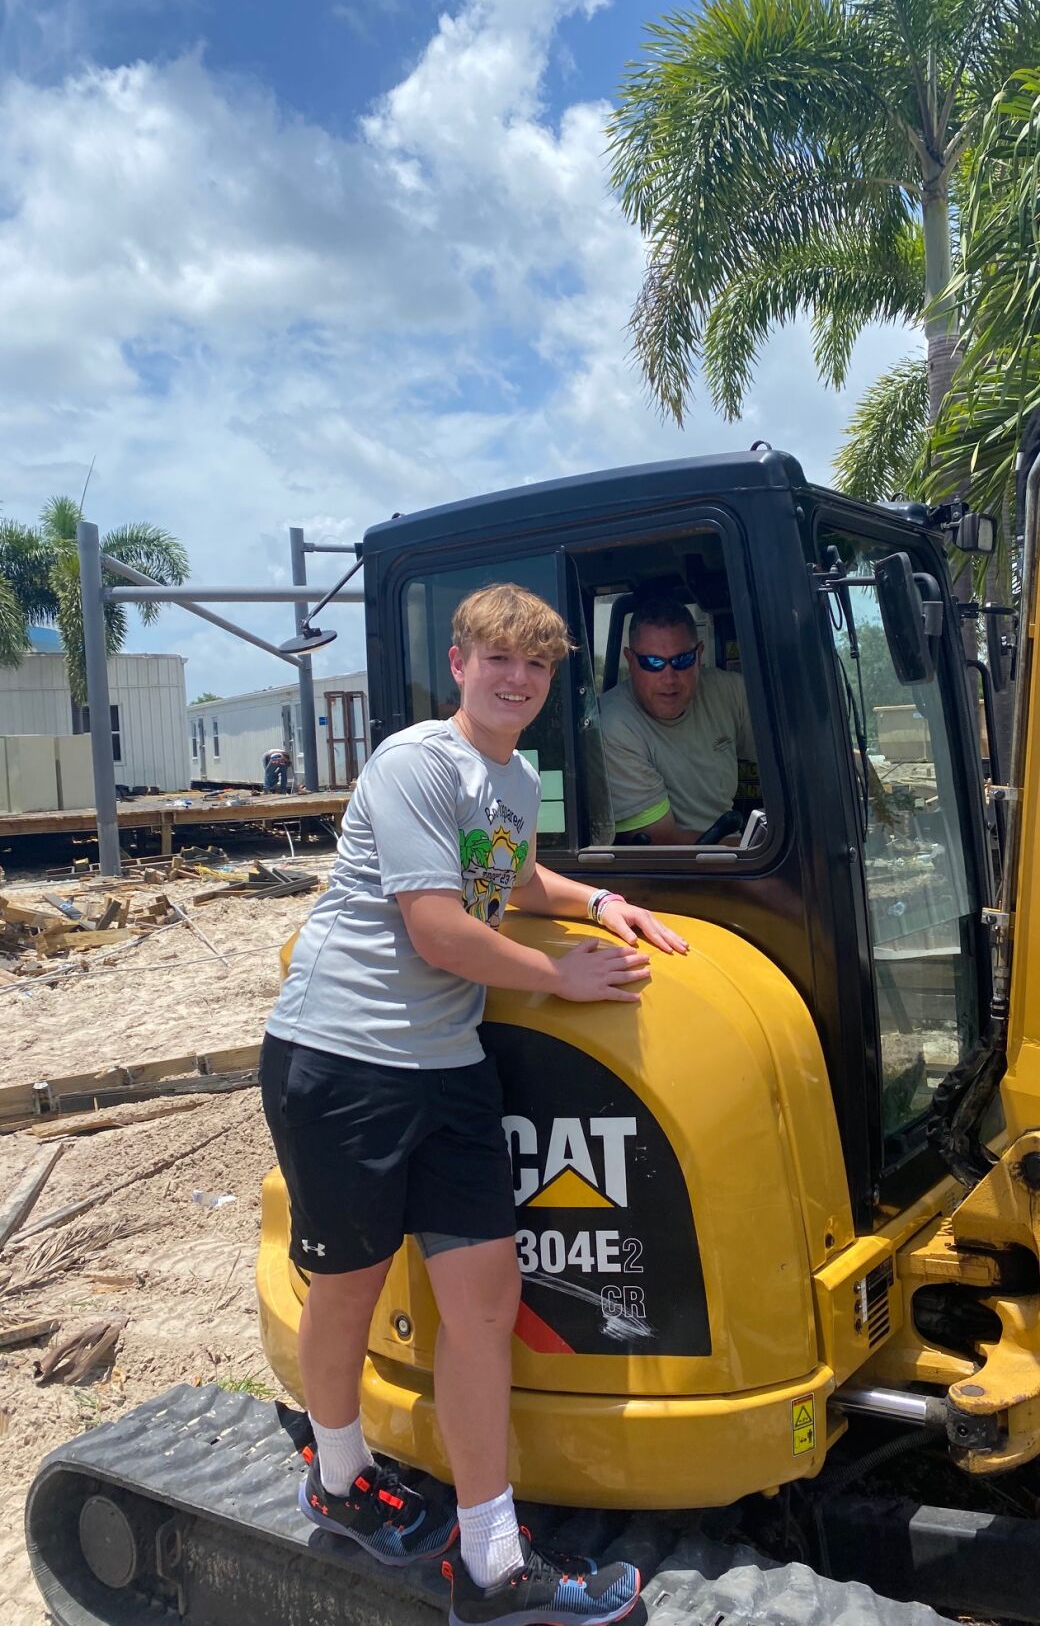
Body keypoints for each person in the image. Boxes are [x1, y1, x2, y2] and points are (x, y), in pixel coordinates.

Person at [260, 582, 685, 1625]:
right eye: (498, 658)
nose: (517, 678)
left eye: (536, 665)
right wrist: (562, 977)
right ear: (458, 664)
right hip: (344, 1059)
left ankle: (491, 1560)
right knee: (350, 1290)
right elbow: (439, 931)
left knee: (486, 1302)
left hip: (447, 1067)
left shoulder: (508, 774)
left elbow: (503, 881)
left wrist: (594, 899)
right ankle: (341, 1475)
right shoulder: (416, 762)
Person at [599, 594, 755, 843]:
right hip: (678, 870)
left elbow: (790, 757)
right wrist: (754, 850)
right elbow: (663, 842)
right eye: (652, 663)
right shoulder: (614, 726)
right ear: (630, 661)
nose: (669, 677)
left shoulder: (728, 692)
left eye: (681, 660)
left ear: (699, 655)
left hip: (732, 854)